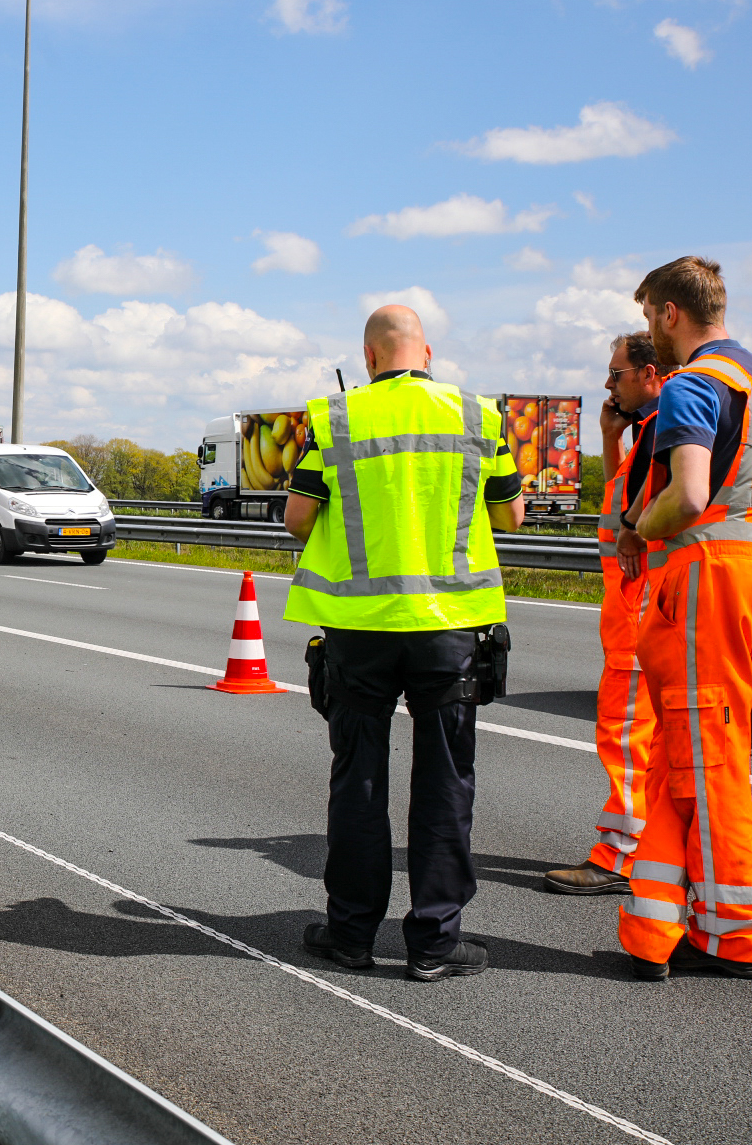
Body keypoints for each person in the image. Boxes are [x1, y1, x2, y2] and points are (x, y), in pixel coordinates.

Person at [282, 305, 524, 981]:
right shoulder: (479, 416)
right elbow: (510, 512)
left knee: (357, 780)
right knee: (446, 782)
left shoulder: (334, 417)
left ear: (368, 356)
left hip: (360, 628)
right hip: (449, 628)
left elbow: (299, 518)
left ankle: (352, 935)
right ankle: (434, 947)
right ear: (428, 351)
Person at [618, 257, 752, 981]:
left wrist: (642, 527)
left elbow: (687, 494)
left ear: (671, 313)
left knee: (706, 765)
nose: (653, 334)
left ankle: (733, 937)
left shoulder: (694, 386)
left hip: (706, 583)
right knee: (695, 752)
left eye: (652, 318)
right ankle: (661, 930)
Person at [544, 330, 664, 894]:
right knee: (651, 747)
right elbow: (620, 509)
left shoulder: (671, 429)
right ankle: (655, 850)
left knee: (627, 741)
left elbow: (636, 526)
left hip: (643, 620)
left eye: (615, 373)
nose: (607, 383)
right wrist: (610, 438)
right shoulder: (646, 438)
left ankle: (620, 855)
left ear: (649, 374)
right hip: (636, 614)